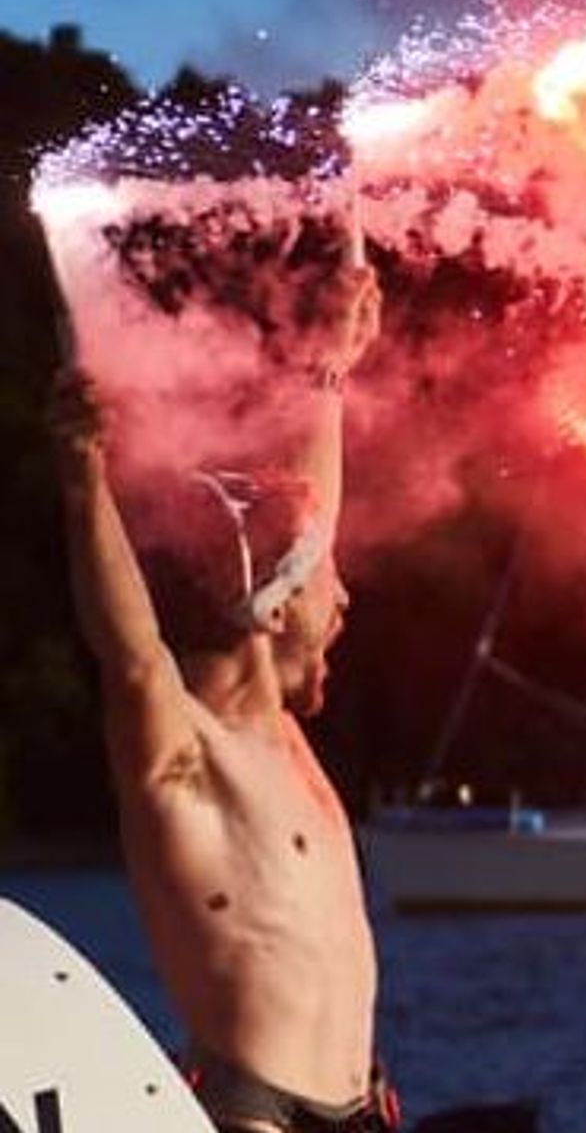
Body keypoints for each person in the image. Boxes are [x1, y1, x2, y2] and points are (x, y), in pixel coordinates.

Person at [49, 217, 386, 1133]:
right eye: (324, 577)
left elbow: (312, 523)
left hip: (365, 1108)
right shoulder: (185, 756)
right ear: (270, 609)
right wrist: (83, 475)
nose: (345, 585)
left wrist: (329, 368)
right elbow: (128, 657)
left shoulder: (281, 734)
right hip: (254, 1116)